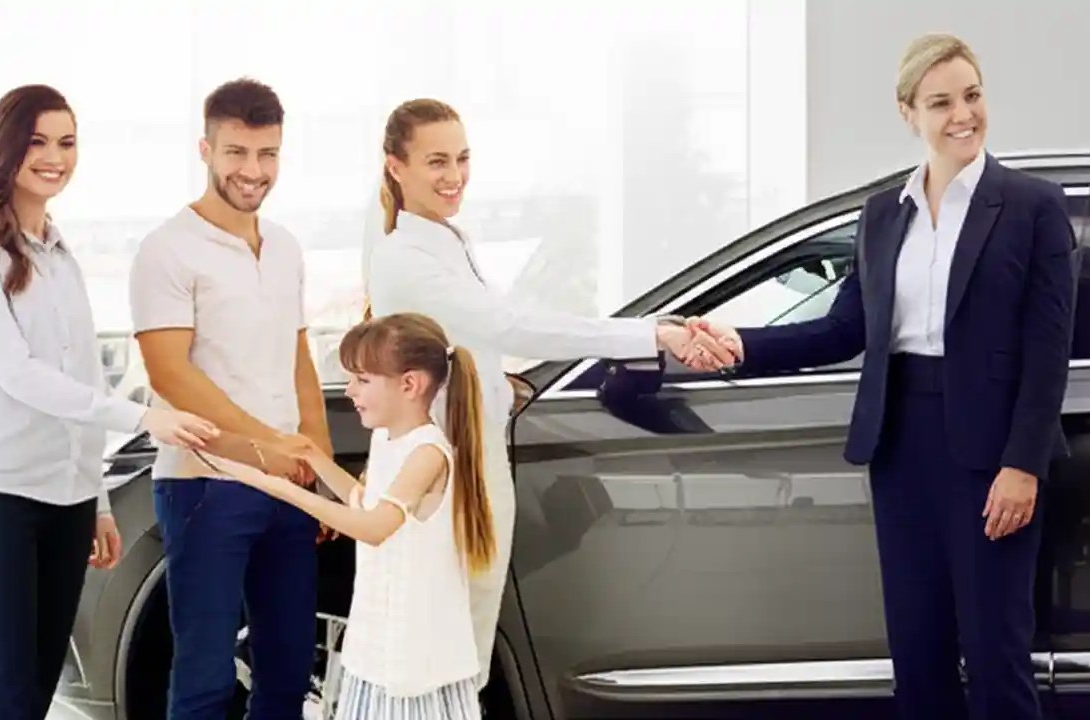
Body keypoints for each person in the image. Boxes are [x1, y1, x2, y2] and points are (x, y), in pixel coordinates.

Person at [706, 34, 1075, 720]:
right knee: (918, 654)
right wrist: (738, 343)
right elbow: (843, 331)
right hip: (901, 447)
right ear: (908, 112)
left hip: (992, 454)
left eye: (972, 95)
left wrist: (1022, 464)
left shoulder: (1031, 206)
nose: (962, 114)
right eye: (941, 102)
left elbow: (1048, 348)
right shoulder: (884, 214)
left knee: (996, 658)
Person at [363, 98, 734, 688]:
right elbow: (507, 323)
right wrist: (650, 334)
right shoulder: (405, 257)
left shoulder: (447, 240)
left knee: (464, 656)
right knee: (437, 663)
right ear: (395, 167)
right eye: (436, 161)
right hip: (438, 478)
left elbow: (470, 335)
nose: (454, 176)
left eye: (462, 158)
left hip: (473, 463)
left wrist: (495, 381)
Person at [0, 84, 217, 720]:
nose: (54, 156)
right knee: (0, 693)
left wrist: (99, 501)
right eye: (37, 141)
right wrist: (147, 418)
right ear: (3, 148)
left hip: (64, 505)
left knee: (33, 697)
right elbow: (18, 374)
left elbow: (81, 381)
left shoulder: (61, 257)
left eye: (66, 141)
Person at [129, 77, 330, 719]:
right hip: (204, 485)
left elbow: (299, 359)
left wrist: (317, 463)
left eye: (266, 154)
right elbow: (169, 373)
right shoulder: (168, 249)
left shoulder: (287, 247)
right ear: (206, 150)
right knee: (205, 675)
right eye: (237, 153)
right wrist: (265, 445)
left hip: (289, 487)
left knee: (289, 670)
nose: (253, 170)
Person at [200, 312, 490, 719]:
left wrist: (280, 488)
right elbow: (363, 499)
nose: (350, 390)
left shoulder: (427, 452)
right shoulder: (388, 439)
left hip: (411, 651)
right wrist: (311, 456)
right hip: (377, 641)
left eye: (362, 380)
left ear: (410, 384)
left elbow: (375, 528)